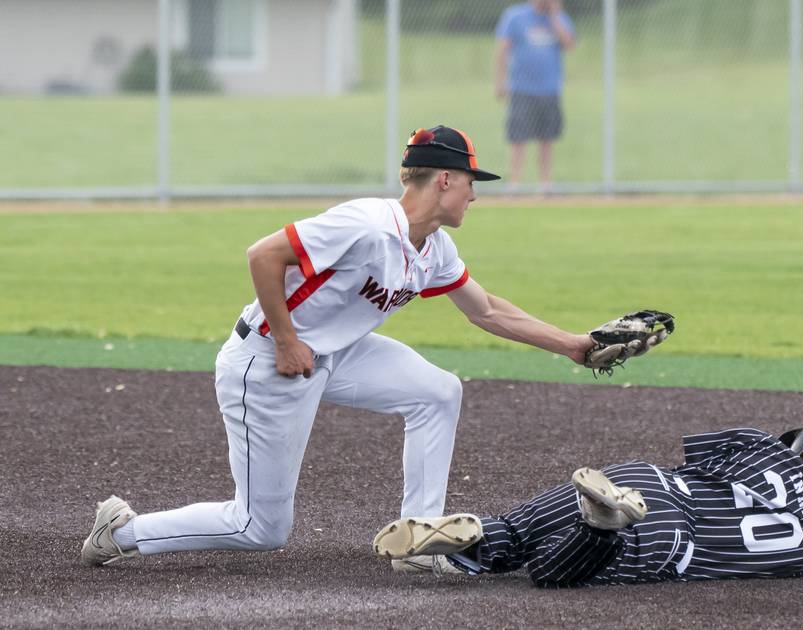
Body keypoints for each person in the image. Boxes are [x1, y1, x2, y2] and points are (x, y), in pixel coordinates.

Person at [81, 125, 601, 572]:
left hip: (340, 354)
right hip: (266, 361)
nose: (473, 195)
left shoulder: (435, 248)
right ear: (444, 179)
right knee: (259, 528)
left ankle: (421, 541)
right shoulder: (367, 224)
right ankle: (122, 533)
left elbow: (485, 309)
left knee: (437, 393)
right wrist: (286, 341)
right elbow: (263, 255)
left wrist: (574, 345)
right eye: (470, 182)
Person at [372, 418, 803, 587]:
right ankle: (599, 528)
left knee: (518, 532)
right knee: (549, 575)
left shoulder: (765, 447)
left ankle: (467, 546)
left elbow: (694, 464)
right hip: (673, 547)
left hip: (649, 485)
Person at [494, 0, 575, 192]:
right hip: (522, 89)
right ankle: (514, 185)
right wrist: (500, 82)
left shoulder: (559, 18)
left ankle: (545, 185)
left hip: (548, 89)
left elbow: (569, 43)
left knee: (546, 139)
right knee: (518, 139)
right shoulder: (515, 16)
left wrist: (554, 16)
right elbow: (502, 50)